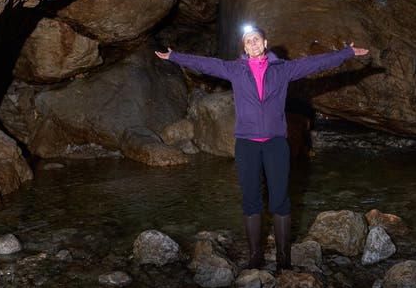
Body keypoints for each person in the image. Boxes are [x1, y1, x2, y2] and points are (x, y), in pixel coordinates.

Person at [156, 26, 369, 272]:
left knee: (280, 200)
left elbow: (315, 64)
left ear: (265, 43)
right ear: (244, 48)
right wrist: (174, 56)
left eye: (256, 39)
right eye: (248, 41)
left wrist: (346, 53)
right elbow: (206, 64)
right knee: (251, 200)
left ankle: (283, 259)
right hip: (246, 144)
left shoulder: (283, 69)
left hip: (275, 143)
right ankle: (255, 257)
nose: (253, 43)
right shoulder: (235, 69)